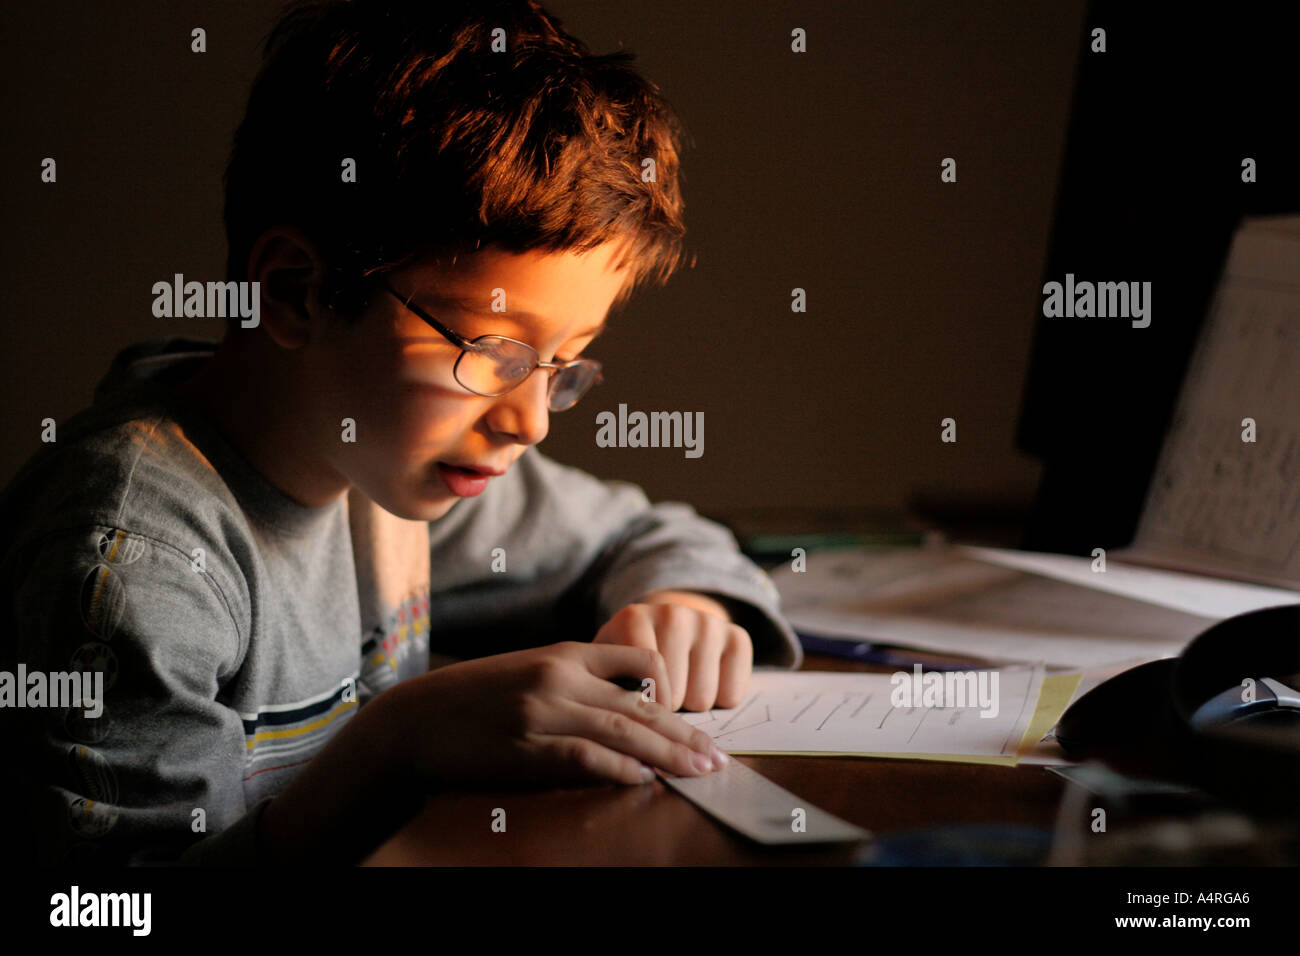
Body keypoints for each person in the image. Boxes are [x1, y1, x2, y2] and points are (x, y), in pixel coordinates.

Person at [0, 0, 800, 865]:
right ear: (297, 292)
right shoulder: (134, 564)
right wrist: (390, 747)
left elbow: (647, 534)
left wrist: (687, 608)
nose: (529, 422)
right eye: (491, 351)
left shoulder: (388, 465)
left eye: (566, 362)